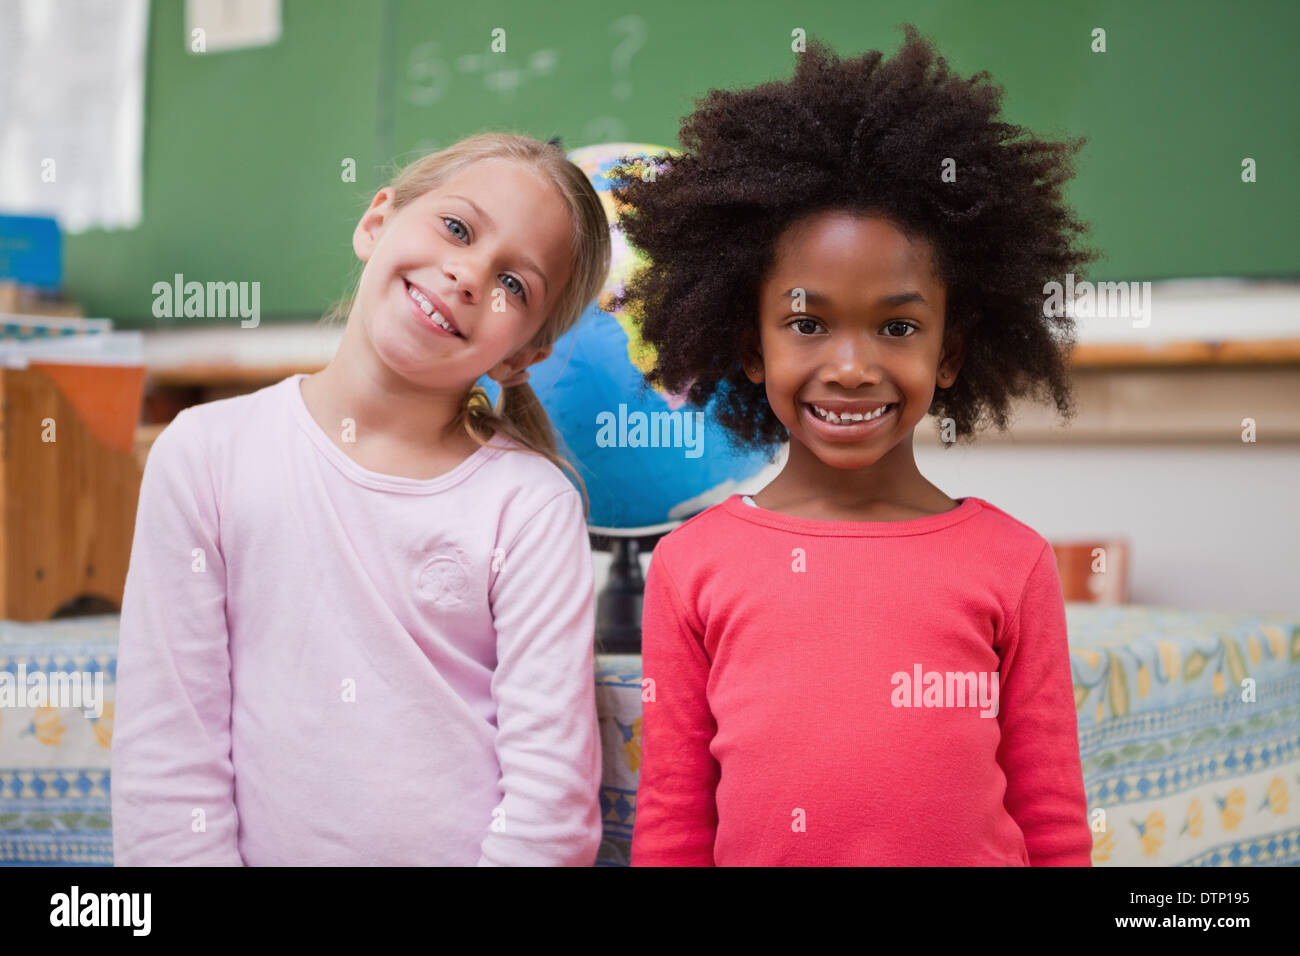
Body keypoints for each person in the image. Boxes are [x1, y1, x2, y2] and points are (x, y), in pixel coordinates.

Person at [615, 26, 1097, 866]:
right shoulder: (693, 565)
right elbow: (673, 822)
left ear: (948, 353)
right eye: (807, 323)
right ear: (750, 345)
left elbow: (1052, 820)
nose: (850, 366)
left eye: (897, 326)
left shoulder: (1013, 563)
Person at [111, 132, 612, 865]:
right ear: (377, 221)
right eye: (457, 228)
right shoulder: (204, 456)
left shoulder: (531, 507)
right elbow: (167, 755)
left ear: (522, 355)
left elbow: (550, 806)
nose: (469, 273)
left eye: (514, 285)